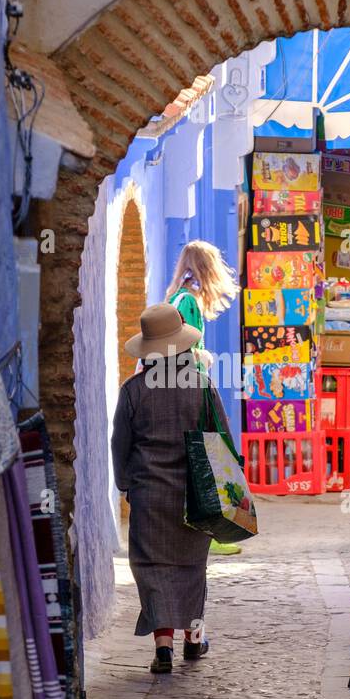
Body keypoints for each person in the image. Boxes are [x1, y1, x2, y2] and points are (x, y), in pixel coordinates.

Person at [112, 303, 225, 674]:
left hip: (149, 496)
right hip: (194, 497)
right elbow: (219, 439)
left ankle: (163, 647)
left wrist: (125, 483)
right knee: (191, 567)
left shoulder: (133, 391)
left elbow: (120, 443)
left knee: (153, 567)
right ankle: (194, 639)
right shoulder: (203, 387)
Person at [164, 240, 243, 555]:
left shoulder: (178, 296)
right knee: (207, 454)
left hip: (179, 388)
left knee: (201, 456)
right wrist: (203, 357)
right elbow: (179, 348)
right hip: (187, 388)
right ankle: (209, 528)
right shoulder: (189, 302)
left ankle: (207, 527)